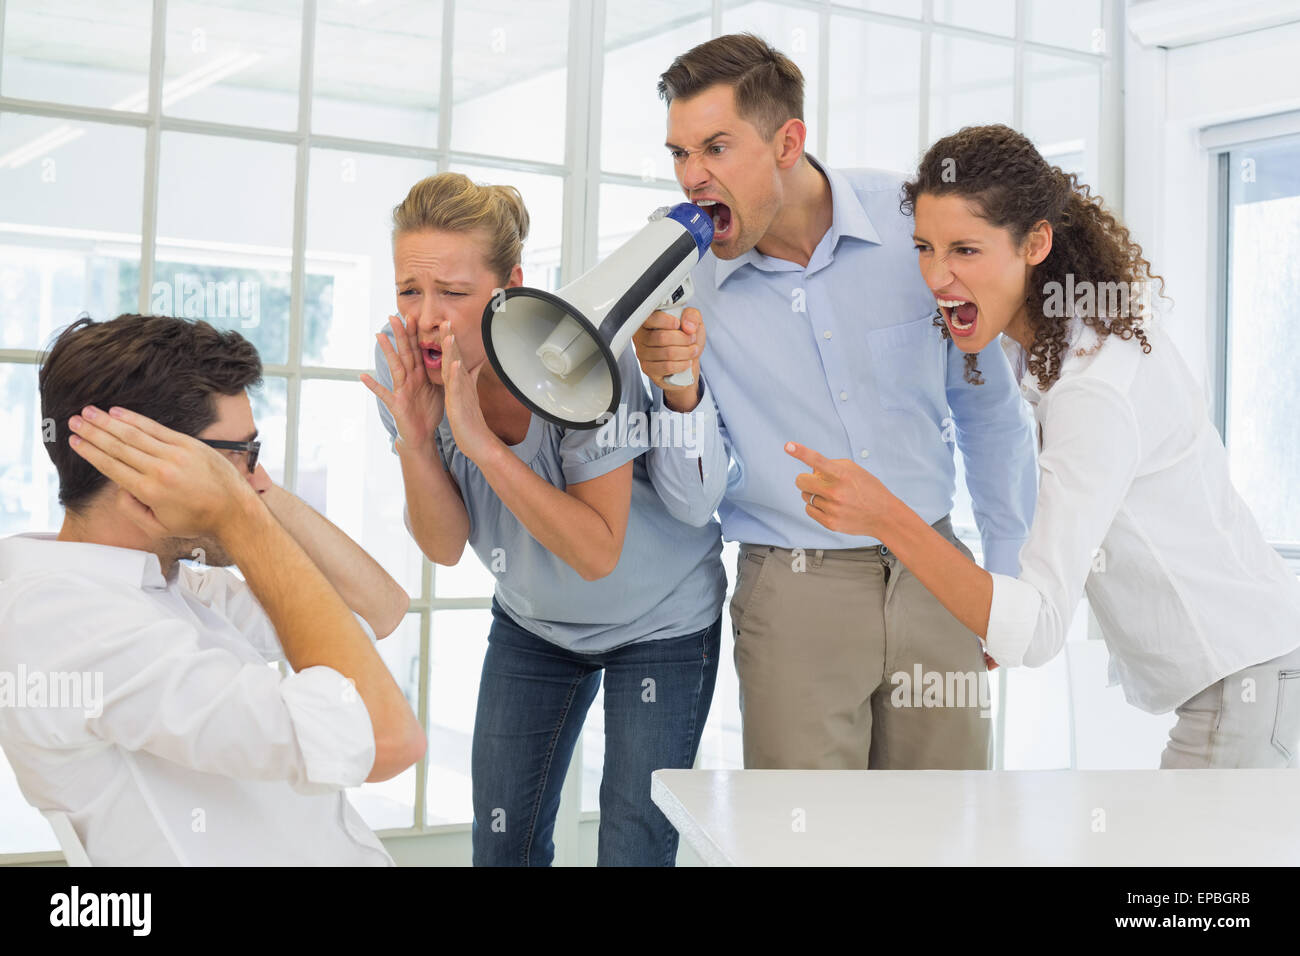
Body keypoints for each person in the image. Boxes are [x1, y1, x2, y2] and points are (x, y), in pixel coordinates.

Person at [788, 123, 1300, 768]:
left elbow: (1037, 634)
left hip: (1246, 685)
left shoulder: (1092, 389)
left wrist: (886, 517)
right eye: (924, 247)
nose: (937, 277)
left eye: (965, 251)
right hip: (1246, 679)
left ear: (1035, 243)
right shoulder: (1050, 343)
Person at [632, 34, 1037, 770]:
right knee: (806, 840)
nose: (692, 178)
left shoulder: (914, 227)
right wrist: (678, 390)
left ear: (788, 141)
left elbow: (989, 412)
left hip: (936, 572)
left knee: (946, 832)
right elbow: (692, 505)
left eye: (715, 148)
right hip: (794, 595)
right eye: (679, 154)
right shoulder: (674, 273)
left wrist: (1001, 585)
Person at [362, 173, 726, 866]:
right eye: (410, 289)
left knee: (634, 846)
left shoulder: (582, 354)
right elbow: (440, 546)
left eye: (454, 292)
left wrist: (480, 446)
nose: (425, 315)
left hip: (662, 622)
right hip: (534, 623)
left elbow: (596, 551)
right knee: (503, 843)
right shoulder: (404, 370)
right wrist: (416, 438)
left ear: (510, 285)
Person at [0, 313, 424, 866]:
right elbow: (389, 739)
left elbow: (378, 607)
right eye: (240, 457)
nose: (256, 477)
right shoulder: (71, 622)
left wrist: (245, 493)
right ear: (146, 475)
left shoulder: (170, 581)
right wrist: (239, 517)